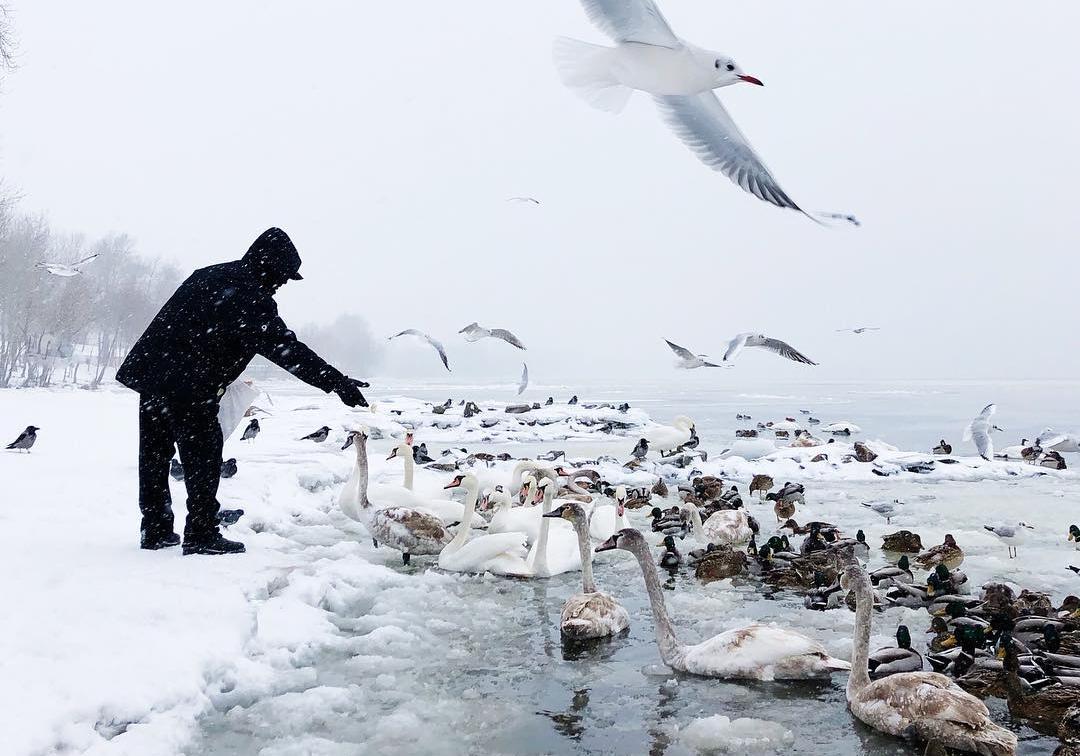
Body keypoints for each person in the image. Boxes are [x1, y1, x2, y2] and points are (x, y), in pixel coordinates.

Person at [117, 228, 369, 555]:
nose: (283, 284)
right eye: (283, 277)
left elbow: (174, 324)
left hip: (154, 375)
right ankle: (202, 534)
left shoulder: (209, 275)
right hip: (191, 386)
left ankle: (155, 530)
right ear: (268, 266)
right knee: (203, 459)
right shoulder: (251, 297)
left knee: (154, 455)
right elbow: (285, 349)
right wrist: (338, 383)